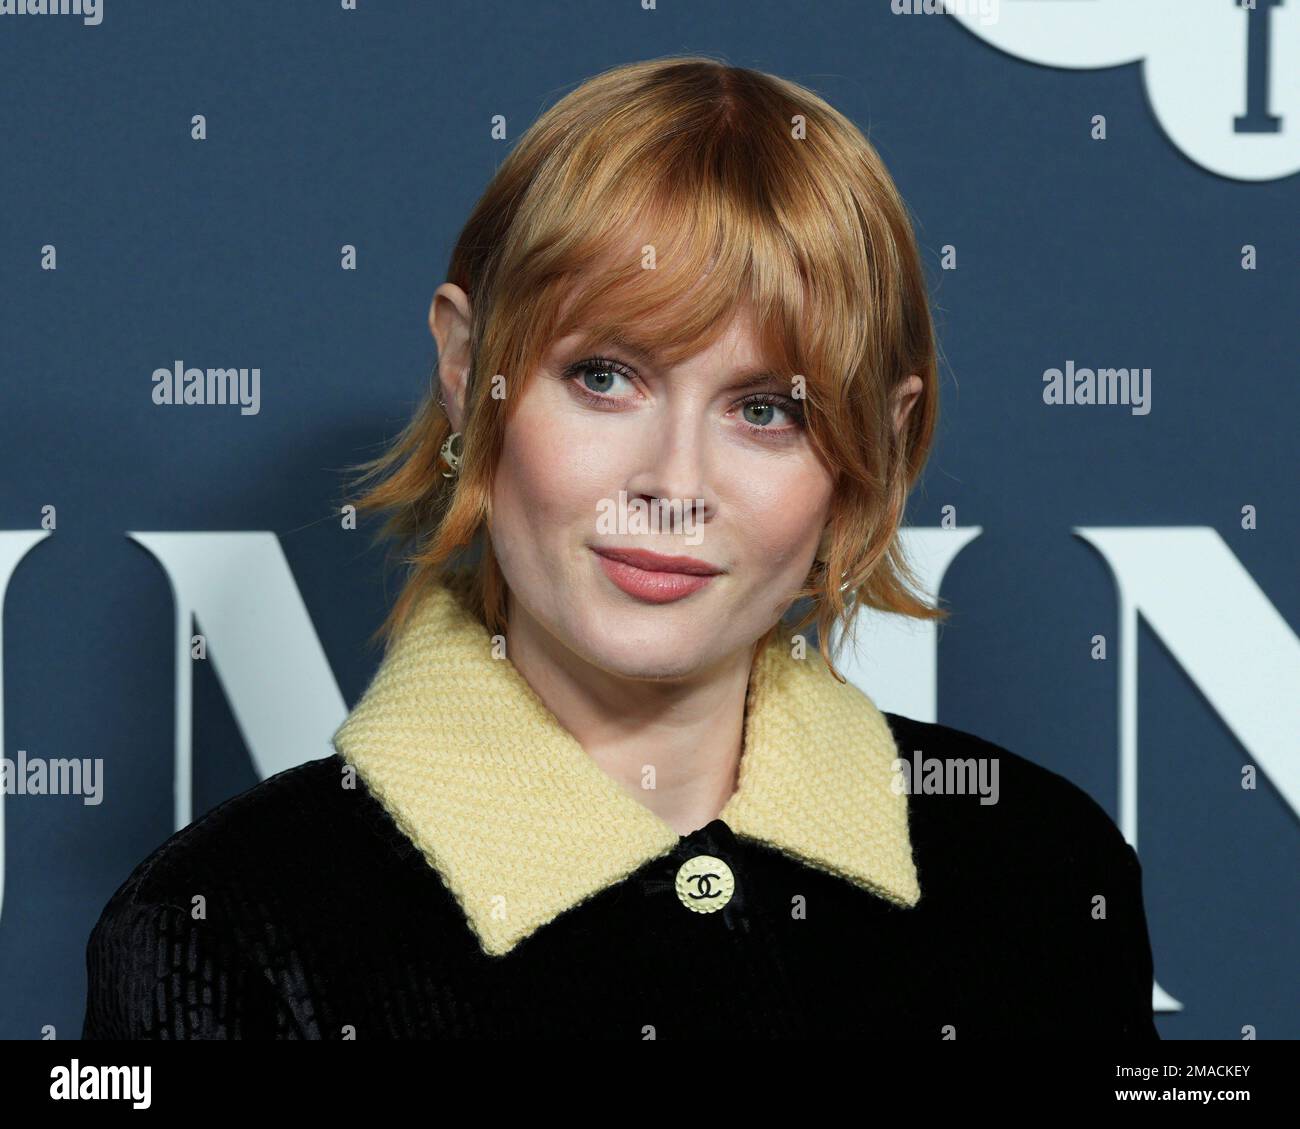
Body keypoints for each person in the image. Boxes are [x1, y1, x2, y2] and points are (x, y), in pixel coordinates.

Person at [82, 55, 1159, 1039]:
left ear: (873, 444)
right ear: (467, 373)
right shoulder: (223, 929)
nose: (674, 485)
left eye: (768, 410)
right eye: (604, 376)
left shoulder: (1044, 871)